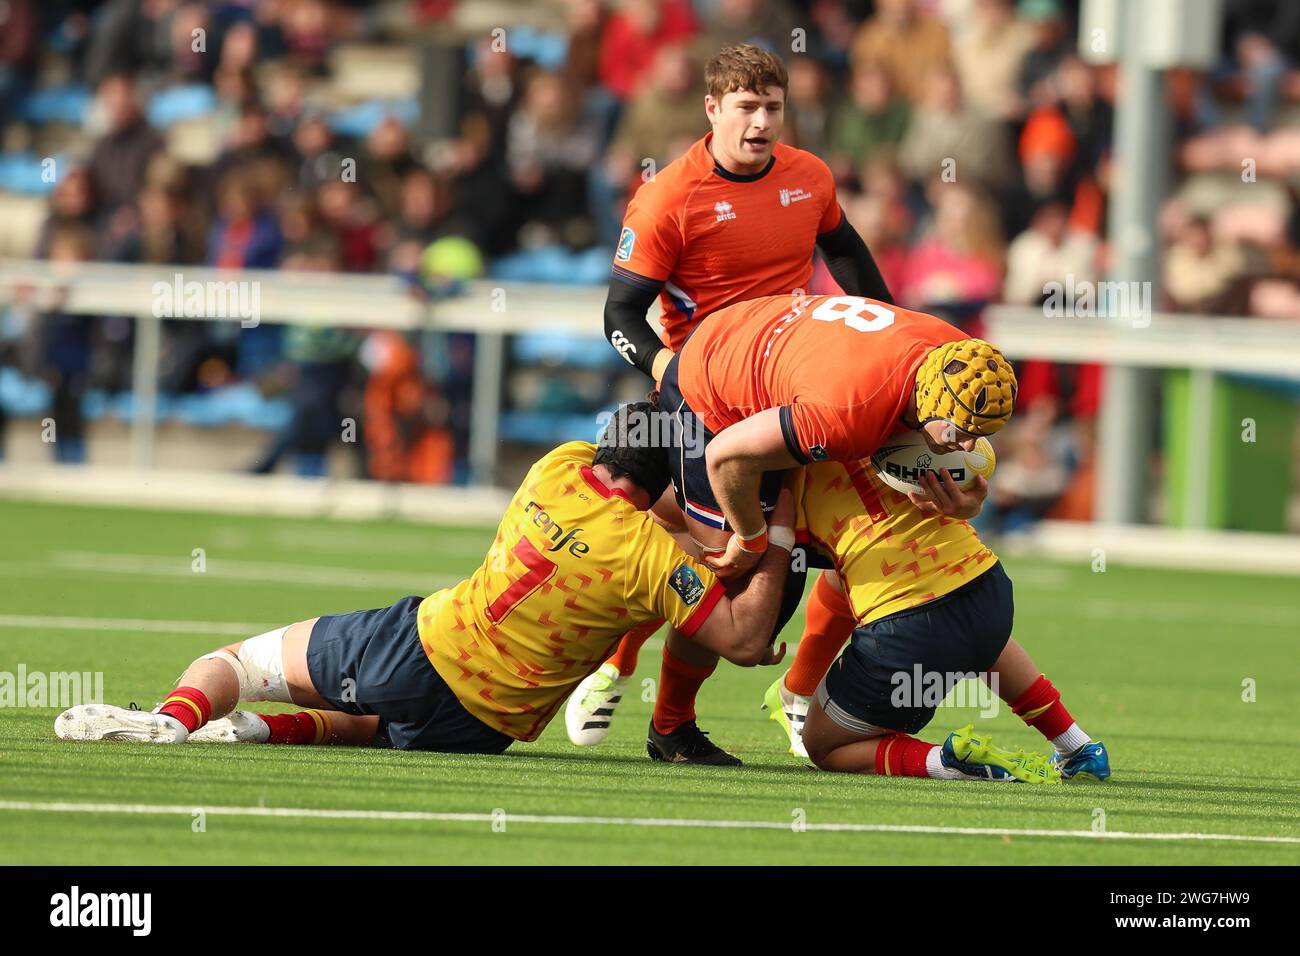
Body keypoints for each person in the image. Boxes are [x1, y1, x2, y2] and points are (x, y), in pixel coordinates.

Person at [53, 405, 795, 755]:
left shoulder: (556, 465)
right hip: (485, 726)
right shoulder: (652, 559)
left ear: (603, 448)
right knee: (360, 728)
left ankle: (174, 719)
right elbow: (747, 637)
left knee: (238, 662)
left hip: (421, 645)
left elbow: (635, 493)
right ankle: (243, 731)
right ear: (666, 482)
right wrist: (774, 523)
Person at [572, 44, 892, 763]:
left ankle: (784, 690)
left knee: (800, 571)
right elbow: (619, 316)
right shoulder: (667, 199)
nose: (760, 122)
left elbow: (850, 259)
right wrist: (673, 373)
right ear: (712, 110)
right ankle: (664, 721)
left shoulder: (808, 177)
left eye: (771, 107)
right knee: (734, 580)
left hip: (795, 389)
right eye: (746, 107)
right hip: (708, 403)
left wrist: (888, 332)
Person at [762, 458, 1110, 782]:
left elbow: (770, 544)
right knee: (974, 637)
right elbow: (974, 453)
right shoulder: (893, 415)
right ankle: (1076, 745)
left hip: (908, 632)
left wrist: (755, 632)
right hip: (987, 587)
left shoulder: (795, 448)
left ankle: (945, 762)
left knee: (825, 744)